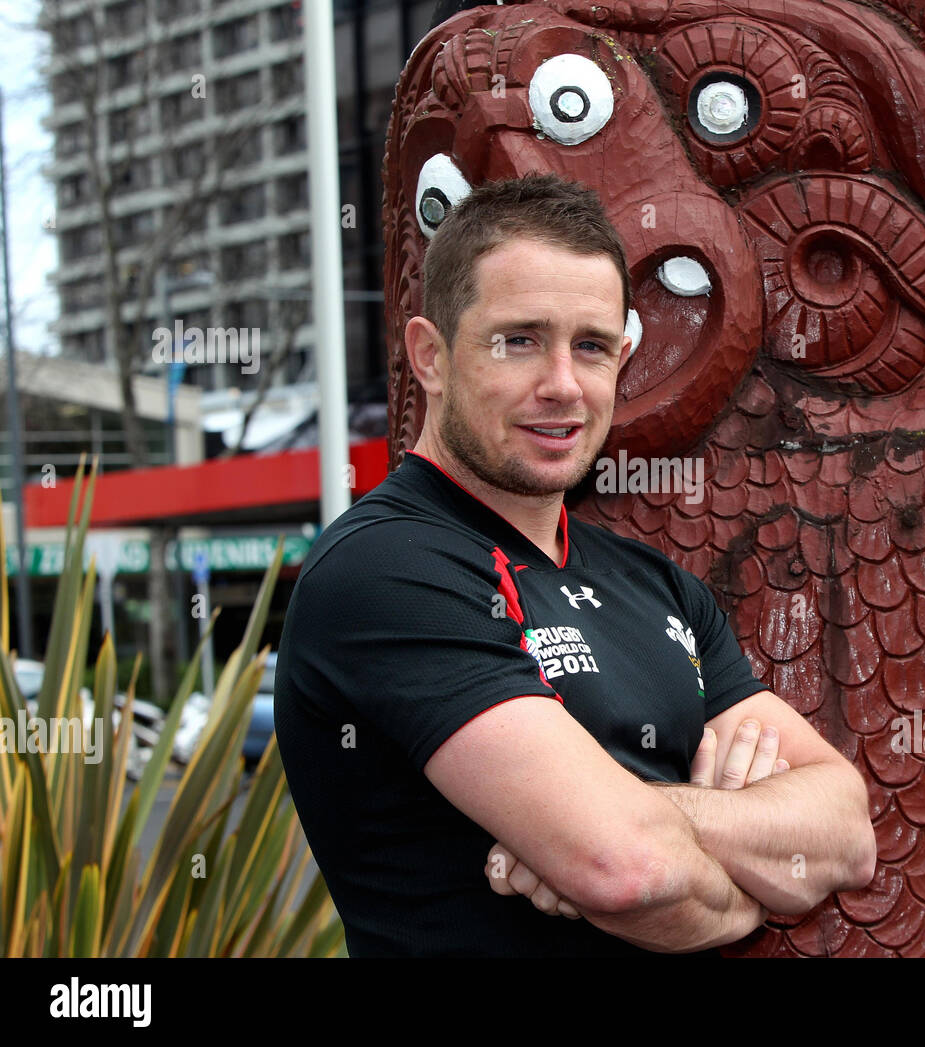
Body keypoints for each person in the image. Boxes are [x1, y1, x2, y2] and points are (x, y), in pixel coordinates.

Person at [274, 173, 876, 957]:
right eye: (519, 339)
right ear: (430, 355)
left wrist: (651, 811)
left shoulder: (659, 584)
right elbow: (624, 869)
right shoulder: (387, 571)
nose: (563, 385)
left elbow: (845, 828)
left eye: (591, 346)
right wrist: (735, 874)